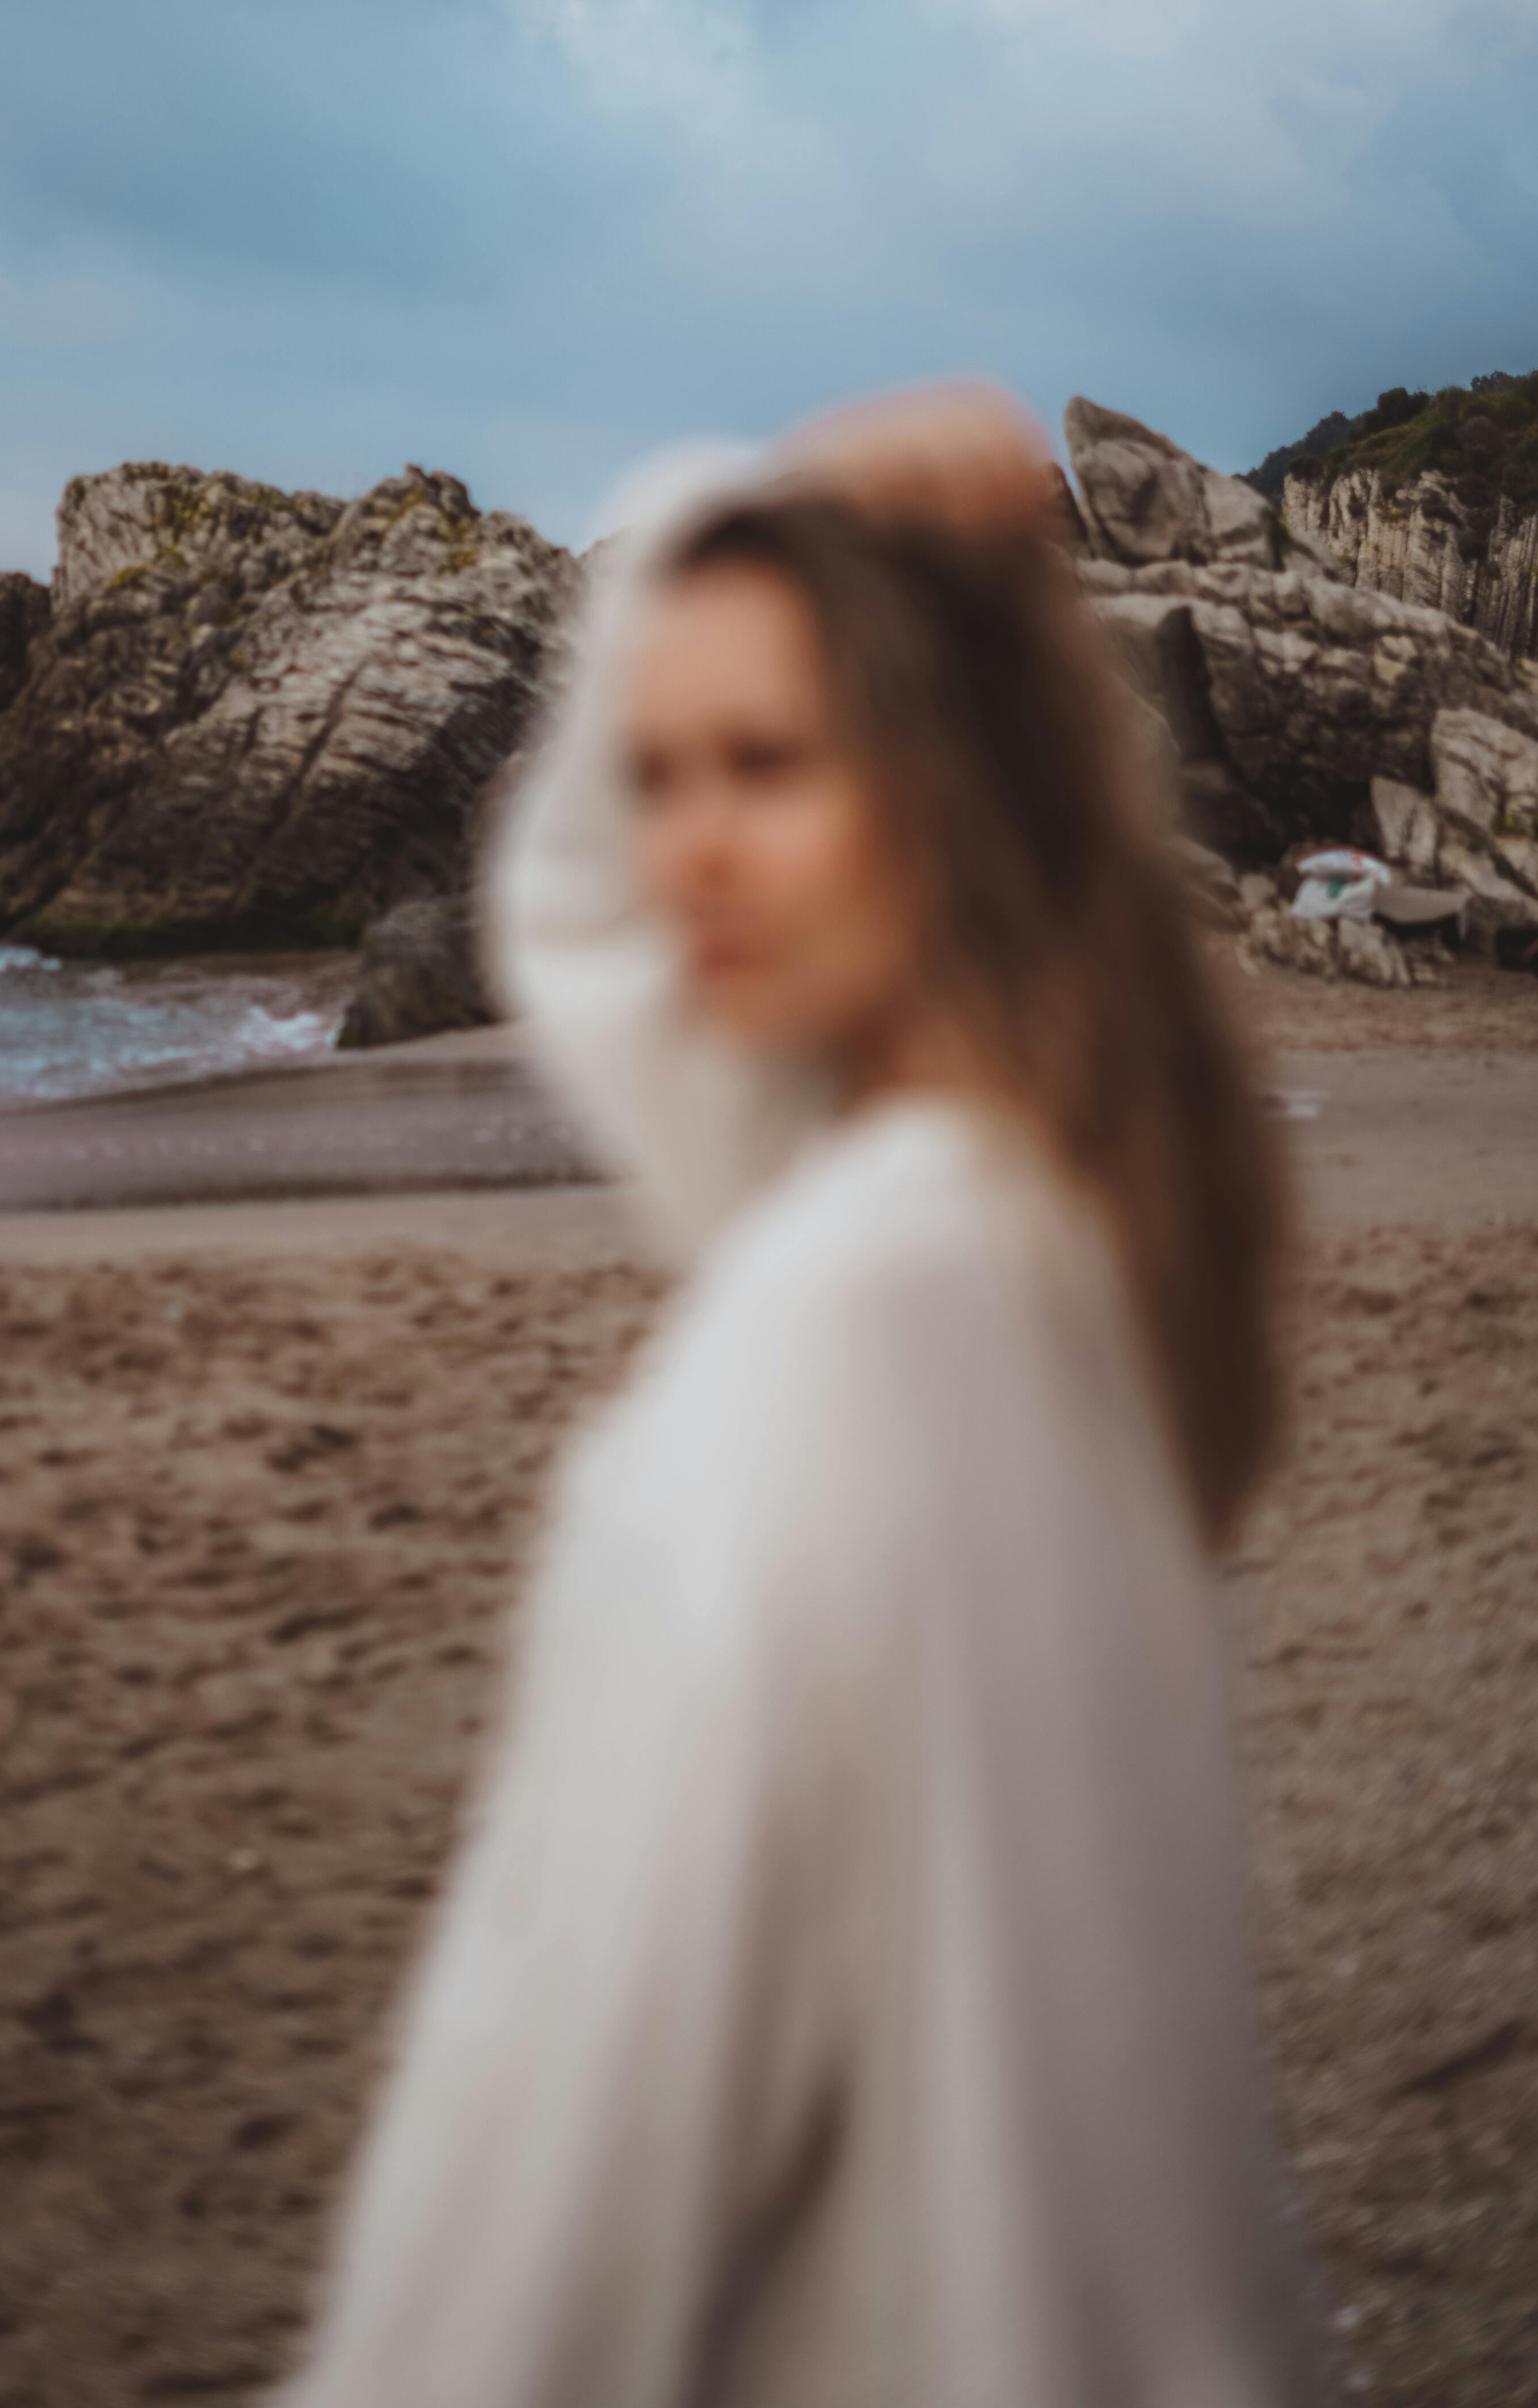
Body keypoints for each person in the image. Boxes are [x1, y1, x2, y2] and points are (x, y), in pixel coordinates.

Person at [275, 383, 1336, 2406]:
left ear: (948, 785)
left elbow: (542, 2199)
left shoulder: (831, 1342)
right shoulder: (1078, 1246)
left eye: (769, 765)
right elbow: (599, 939)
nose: (688, 850)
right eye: (658, 773)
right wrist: (780, 540)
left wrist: (734, 516)